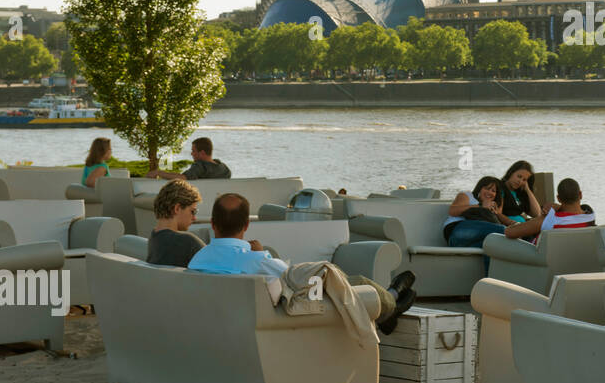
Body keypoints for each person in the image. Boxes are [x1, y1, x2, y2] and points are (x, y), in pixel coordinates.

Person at [188, 194, 415, 334]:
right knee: (359, 284)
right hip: (283, 318)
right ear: (246, 225)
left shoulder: (197, 259)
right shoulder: (255, 261)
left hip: (223, 326)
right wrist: (261, 253)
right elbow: (292, 278)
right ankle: (392, 302)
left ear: (213, 224)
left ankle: (389, 307)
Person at [504, 178, 595, 243]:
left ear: (558, 198)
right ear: (580, 195)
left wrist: (549, 213)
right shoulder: (590, 217)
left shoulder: (550, 220)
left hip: (543, 261)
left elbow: (509, 233)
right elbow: (573, 213)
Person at [146, 180, 206, 267]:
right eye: (192, 211)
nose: (194, 218)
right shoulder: (188, 242)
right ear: (177, 208)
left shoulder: (154, 238)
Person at [444, 176, 511, 249]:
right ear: (479, 188)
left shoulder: (491, 207)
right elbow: (452, 211)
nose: (490, 192)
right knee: (503, 230)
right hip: (457, 231)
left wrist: (495, 211)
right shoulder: (467, 195)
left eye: (493, 191)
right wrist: (480, 205)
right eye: (487, 188)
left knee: (494, 245)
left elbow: (500, 215)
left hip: (466, 243)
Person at [146, 137, 232, 181]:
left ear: (202, 153)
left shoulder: (201, 166)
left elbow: (182, 178)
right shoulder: (224, 168)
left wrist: (158, 172)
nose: (191, 153)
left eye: (193, 151)